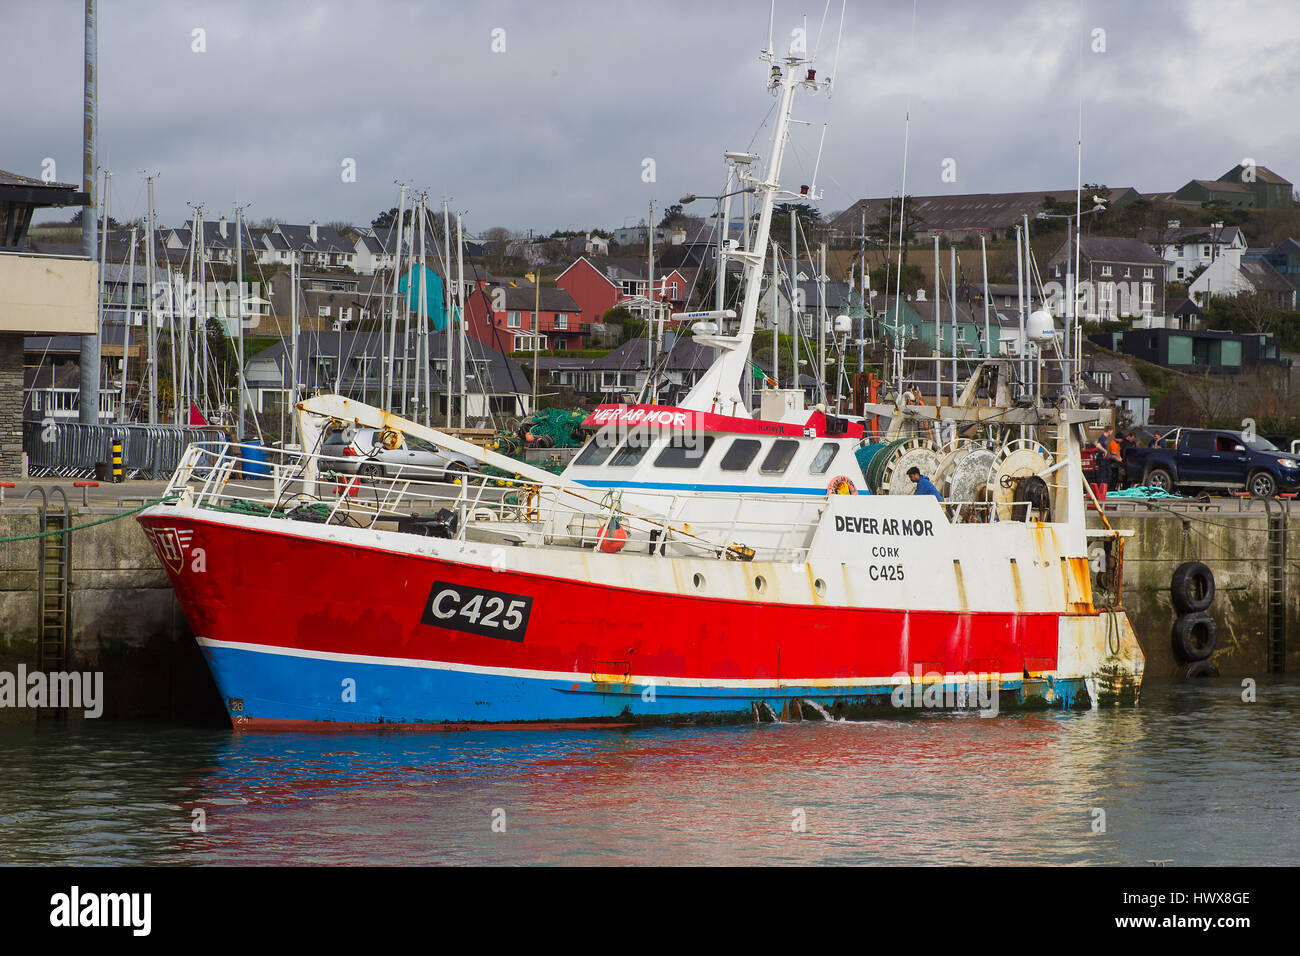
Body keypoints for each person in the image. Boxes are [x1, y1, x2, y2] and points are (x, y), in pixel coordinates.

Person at [1090, 426, 1116, 501]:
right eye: (1111, 431)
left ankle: (1104, 490)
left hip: (1104, 458)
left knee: (1107, 473)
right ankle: (1100, 490)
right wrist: (1104, 451)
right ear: (1109, 430)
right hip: (1101, 458)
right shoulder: (1102, 437)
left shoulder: (1105, 438)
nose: (1112, 433)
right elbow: (1098, 445)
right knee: (1103, 474)